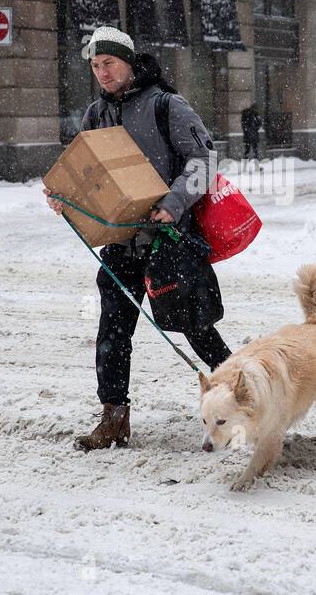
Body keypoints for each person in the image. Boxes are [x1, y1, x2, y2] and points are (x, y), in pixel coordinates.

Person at [43, 26, 232, 451]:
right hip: (121, 245)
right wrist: (64, 198)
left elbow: (204, 161)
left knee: (196, 329)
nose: (102, 73)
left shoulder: (167, 106)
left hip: (169, 241)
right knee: (112, 330)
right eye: (95, 66)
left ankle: (246, 395)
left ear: (129, 61)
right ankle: (114, 417)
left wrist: (174, 202)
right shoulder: (95, 114)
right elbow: (86, 178)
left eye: (108, 63)